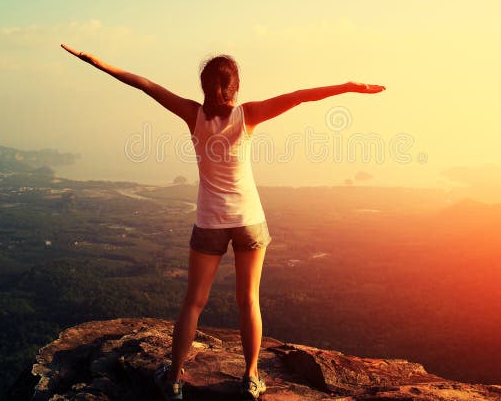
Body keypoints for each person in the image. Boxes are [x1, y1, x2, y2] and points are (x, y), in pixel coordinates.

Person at [61, 44, 385, 399]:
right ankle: (250, 377)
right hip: (249, 220)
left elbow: (145, 85)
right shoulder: (248, 115)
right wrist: (348, 87)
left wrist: (98, 63)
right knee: (249, 300)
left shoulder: (192, 114)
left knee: (193, 303)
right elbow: (298, 97)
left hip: (210, 223)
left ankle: (173, 381)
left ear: (204, 86)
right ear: (236, 86)